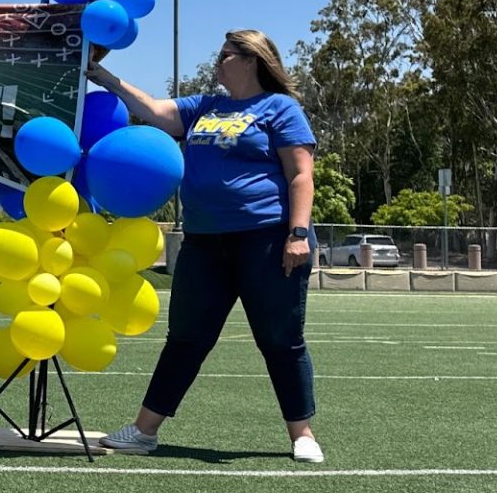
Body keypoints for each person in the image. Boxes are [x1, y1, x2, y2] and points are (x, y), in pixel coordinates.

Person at [87, 30, 323, 462]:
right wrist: (100, 74)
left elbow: (300, 175)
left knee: (280, 339)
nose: (217, 62)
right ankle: (144, 431)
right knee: (186, 338)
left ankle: (302, 435)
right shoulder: (204, 107)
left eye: (225, 55)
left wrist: (297, 234)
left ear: (251, 60)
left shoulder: (280, 108)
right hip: (203, 243)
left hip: (267, 239)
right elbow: (155, 111)